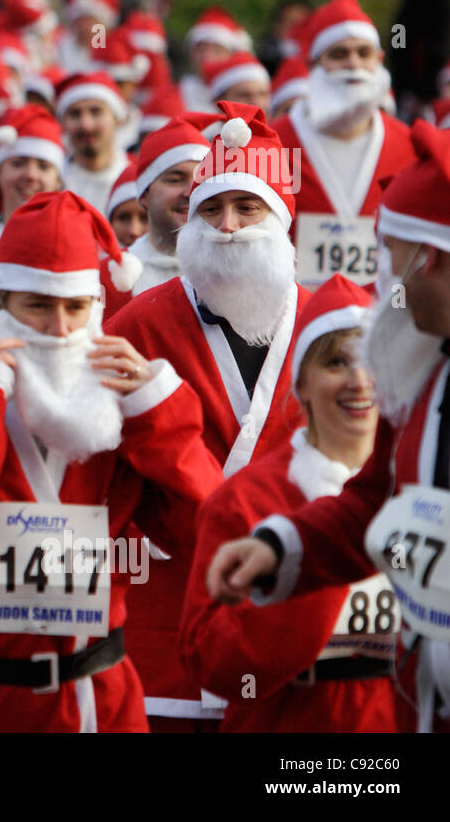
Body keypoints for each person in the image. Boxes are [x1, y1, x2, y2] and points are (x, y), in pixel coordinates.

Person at [0, 191, 224, 731]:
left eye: (75, 307)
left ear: (97, 314)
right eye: (37, 304)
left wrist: (160, 414)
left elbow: (213, 536)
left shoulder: (119, 419)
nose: (58, 328)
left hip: (97, 702)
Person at [205, 120, 450, 733]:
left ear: (437, 260)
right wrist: (280, 547)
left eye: (392, 260)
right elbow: (374, 502)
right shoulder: (424, 374)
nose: (385, 284)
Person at [107, 101, 312, 730]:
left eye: (247, 207)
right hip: (168, 605)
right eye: (211, 209)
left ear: (279, 218)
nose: (227, 226)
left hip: (294, 597)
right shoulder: (139, 322)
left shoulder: (325, 327)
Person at [179, 275, 398, 731]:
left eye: (371, 361)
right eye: (336, 362)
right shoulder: (244, 498)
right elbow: (214, 663)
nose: (359, 380)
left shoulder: (417, 479)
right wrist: (321, 566)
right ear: (301, 385)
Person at [271, 0, 415, 288]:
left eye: (364, 53)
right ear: (313, 65)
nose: (353, 64)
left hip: (380, 316)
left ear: (379, 61)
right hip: (295, 320)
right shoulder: (273, 142)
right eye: (338, 54)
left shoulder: (410, 145)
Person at [100, 117, 212, 321]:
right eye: (175, 180)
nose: (190, 192)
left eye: (201, 179)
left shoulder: (233, 273)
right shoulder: (106, 278)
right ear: (144, 194)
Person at [0, 104, 64, 243]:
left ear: (58, 180)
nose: (30, 175)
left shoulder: (68, 240)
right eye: (18, 163)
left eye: (43, 166)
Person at [55, 72, 130, 212]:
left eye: (96, 112)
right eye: (75, 114)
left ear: (117, 118)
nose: (86, 125)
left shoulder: (138, 181)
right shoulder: (53, 183)